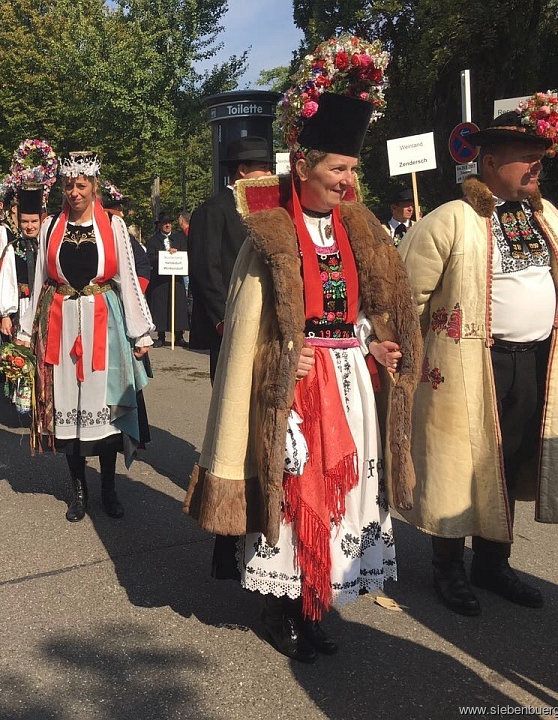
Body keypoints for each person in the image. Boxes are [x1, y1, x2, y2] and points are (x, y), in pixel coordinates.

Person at [183, 36, 422, 663]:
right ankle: (281, 606)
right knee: (292, 497)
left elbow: (368, 308)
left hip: (349, 384)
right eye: (336, 170)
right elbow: (246, 327)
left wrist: (380, 350)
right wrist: (280, 364)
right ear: (304, 167)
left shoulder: (361, 228)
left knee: (343, 500)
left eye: (351, 170)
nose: (348, 181)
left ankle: (318, 601)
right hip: (296, 385)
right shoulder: (268, 234)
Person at [397, 92, 558, 617]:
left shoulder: (548, 216)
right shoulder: (449, 219)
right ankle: (448, 569)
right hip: (467, 365)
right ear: (491, 162)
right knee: (462, 462)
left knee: (510, 459)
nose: (536, 165)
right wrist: (402, 361)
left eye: (539, 155)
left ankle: (493, 564)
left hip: (535, 361)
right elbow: (402, 296)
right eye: (526, 156)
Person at [17, 151, 154, 522]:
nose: (74, 192)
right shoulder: (50, 226)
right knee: (68, 413)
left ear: (94, 186)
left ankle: (108, 488)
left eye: (81, 185)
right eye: (68, 185)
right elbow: (39, 279)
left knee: (106, 411)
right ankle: (78, 491)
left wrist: (140, 331)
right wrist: (27, 332)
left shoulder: (112, 225)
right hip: (61, 325)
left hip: (102, 325)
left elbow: (126, 278)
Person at [188, 136, 273, 381]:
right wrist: (222, 320)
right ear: (243, 170)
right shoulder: (213, 209)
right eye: (263, 168)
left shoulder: (269, 209)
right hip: (231, 318)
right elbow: (205, 269)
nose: (269, 174)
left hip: (265, 317)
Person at [0, 185, 43, 416]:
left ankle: (46, 400)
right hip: (23, 308)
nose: (29, 226)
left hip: (47, 307)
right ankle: (27, 404)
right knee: (25, 353)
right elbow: (8, 281)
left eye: (34, 222)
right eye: (25, 222)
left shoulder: (49, 246)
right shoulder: (14, 249)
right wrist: (5, 314)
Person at [146, 210, 189, 347]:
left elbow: (186, 255)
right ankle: (161, 335)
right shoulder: (153, 241)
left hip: (176, 278)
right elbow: (149, 259)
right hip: (160, 280)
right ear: (159, 225)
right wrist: (162, 257)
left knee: (178, 306)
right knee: (160, 306)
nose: (167, 225)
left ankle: (179, 335)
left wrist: (177, 255)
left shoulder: (180, 239)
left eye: (169, 223)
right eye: (164, 223)